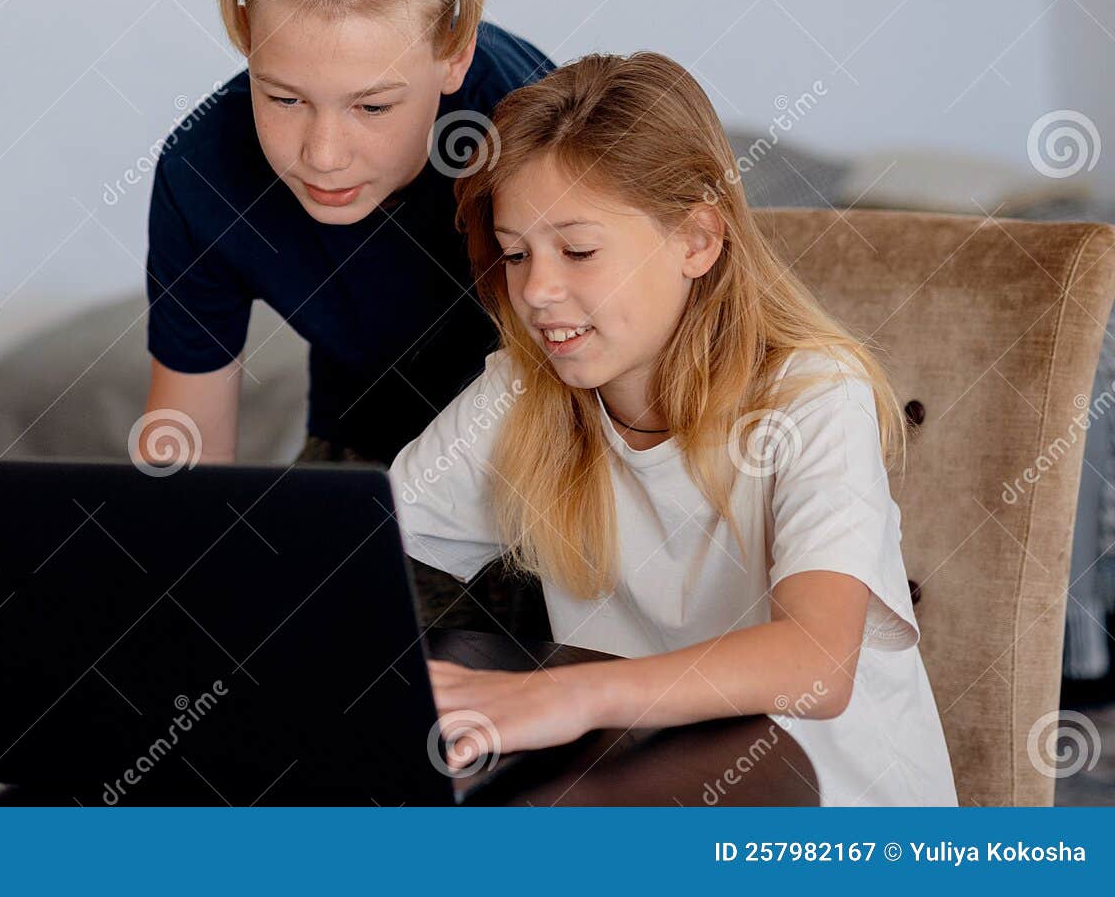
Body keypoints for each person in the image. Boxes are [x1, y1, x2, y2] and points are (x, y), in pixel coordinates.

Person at [392, 51, 958, 805]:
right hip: (643, 797)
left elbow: (816, 663)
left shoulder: (816, 395)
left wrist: (570, 695)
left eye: (579, 250)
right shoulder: (524, 391)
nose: (537, 290)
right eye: (517, 253)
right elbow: (353, 549)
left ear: (696, 240)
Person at [143, 0, 555, 637]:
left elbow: (607, 385)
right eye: (284, 98)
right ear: (246, 39)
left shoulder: (525, 131)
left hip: (555, 437)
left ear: (455, 56)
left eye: (372, 107)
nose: (323, 156)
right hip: (360, 434)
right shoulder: (202, 171)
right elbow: (188, 448)